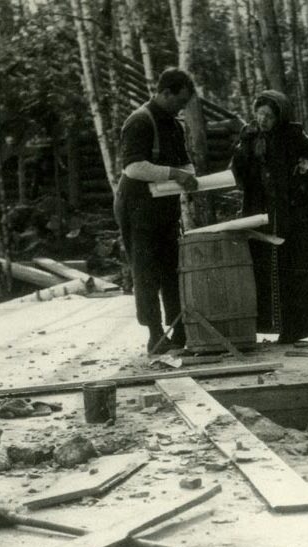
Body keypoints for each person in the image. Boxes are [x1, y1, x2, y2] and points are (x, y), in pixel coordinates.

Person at [230, 90, 308, 344]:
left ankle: (297, 328)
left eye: (268, 115)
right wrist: (243, 149)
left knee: (293, 270)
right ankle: (271, 326)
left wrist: (304, 185)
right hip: (261, 212)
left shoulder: (293, 136)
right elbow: (238, 172)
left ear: (280, 117)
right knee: (265, 266)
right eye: (259, 113)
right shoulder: (251, 136)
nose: (262, 119)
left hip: (293, 213)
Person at [114, 67, 199, 355]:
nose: (181, 107)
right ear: (164, 93)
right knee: (146, 270)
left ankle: (179, 328)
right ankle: (154, 333)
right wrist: (177, 173)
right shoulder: (139, 121)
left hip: (164, 206)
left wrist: (191, 177)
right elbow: (134, 167)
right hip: (137, 206)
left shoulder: (174, 125)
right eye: (179, 101)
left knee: (172, 267)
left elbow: (185, 164)